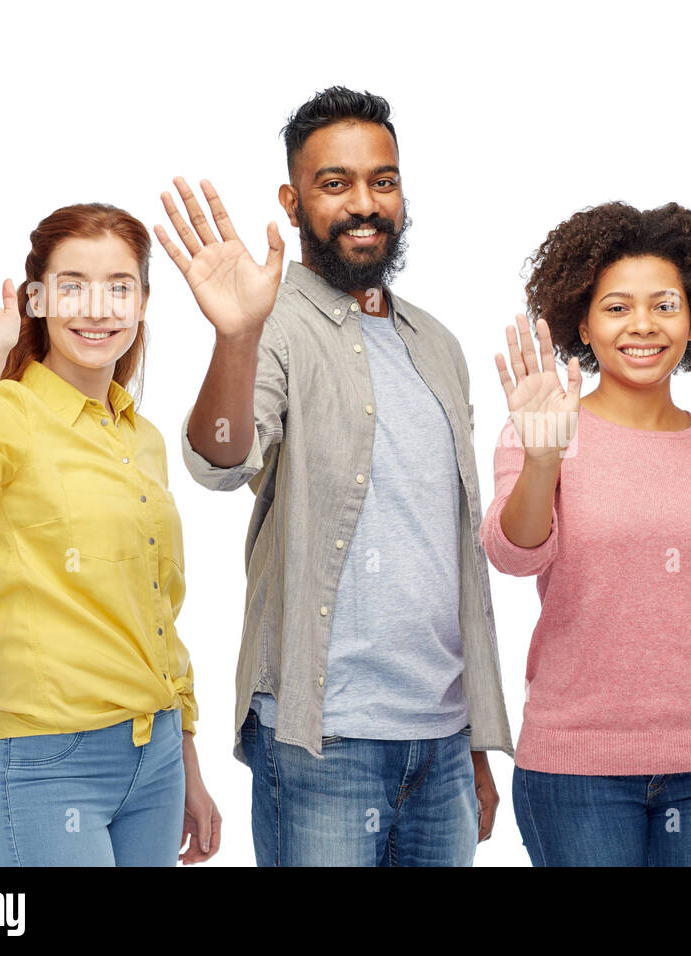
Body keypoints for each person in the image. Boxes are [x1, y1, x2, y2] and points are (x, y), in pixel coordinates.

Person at [161, 86, 513, 867]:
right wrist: (236, 337)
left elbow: (449, 552)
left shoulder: (440, 346)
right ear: (293, 200)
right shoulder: (273, 327)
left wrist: (475, 744)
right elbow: (220, 459)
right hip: (323, 738)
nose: (365, 203)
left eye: (382, 181)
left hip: (443, 743)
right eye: (336, 183)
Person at [0, 206, 220, 866]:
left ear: (141, 302)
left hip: (158, 758)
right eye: (72, 284)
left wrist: (188, 762)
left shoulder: (144, 438)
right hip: (52, 763)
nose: (97, 307)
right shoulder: (7, 411)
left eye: (119, 286)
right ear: (38, 299)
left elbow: (161, 615)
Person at [481, 201, 691, 866]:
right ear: (582, 324)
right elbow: (512, 554)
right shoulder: (541, 431)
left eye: (664, 305)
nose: (641, 325)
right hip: (576, 771)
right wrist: (542, 459)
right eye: (617, 307)